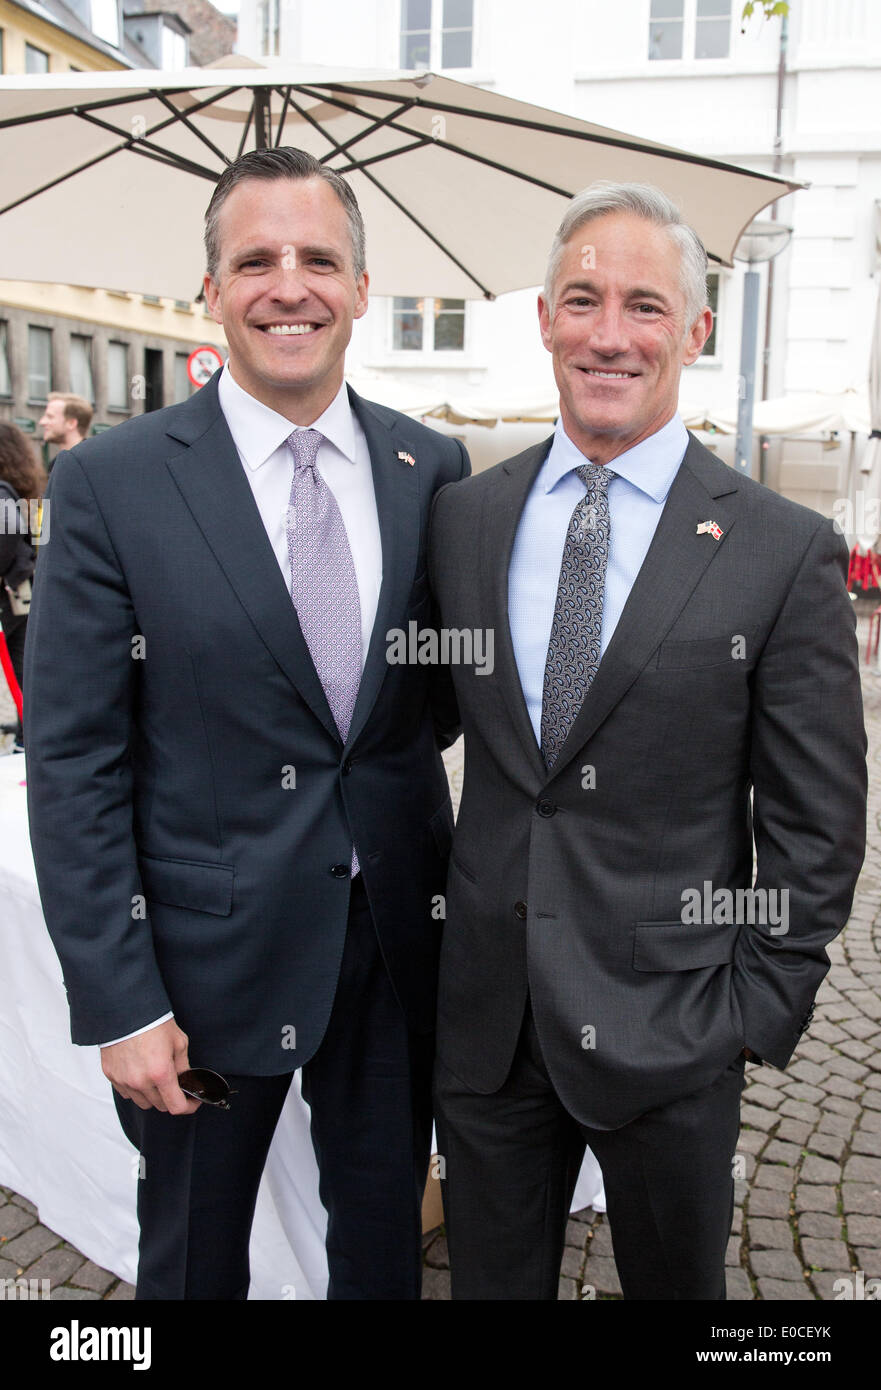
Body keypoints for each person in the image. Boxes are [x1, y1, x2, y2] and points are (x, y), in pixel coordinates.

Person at [24, 146, 469, 1301]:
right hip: (200, 966)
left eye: (319, 258)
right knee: (192, 1249)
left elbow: (440, 712)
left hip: (391, 946)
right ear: (210, 291)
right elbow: (72, 755)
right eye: (255, 260)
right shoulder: (112, 483)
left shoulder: (434, 470)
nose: (290, 285)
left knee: (380, 1241)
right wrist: (122, 998)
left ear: (362, 289)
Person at [428, 181, 867, 1300]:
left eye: (642, 304)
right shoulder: (466, 519)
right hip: (488, 1026)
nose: (608, 333)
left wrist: (748, 1011)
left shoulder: (779, 549)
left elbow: (815, 827)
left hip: (672, 1032)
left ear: (694, 330)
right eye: (581, 299)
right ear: (542, 318)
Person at [0, 422, 45, 751]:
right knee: (20, 666)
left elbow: (7, 536)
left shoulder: (3, 491)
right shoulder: (22, 489)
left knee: (16, 667)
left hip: (9, 595)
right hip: (20, 594)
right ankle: (28, 733)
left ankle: (24, 733)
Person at [38, 392, 92, 456]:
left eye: (50, 417)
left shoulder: (91, 462)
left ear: (71, 423)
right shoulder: (58, 462)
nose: (42, 422)